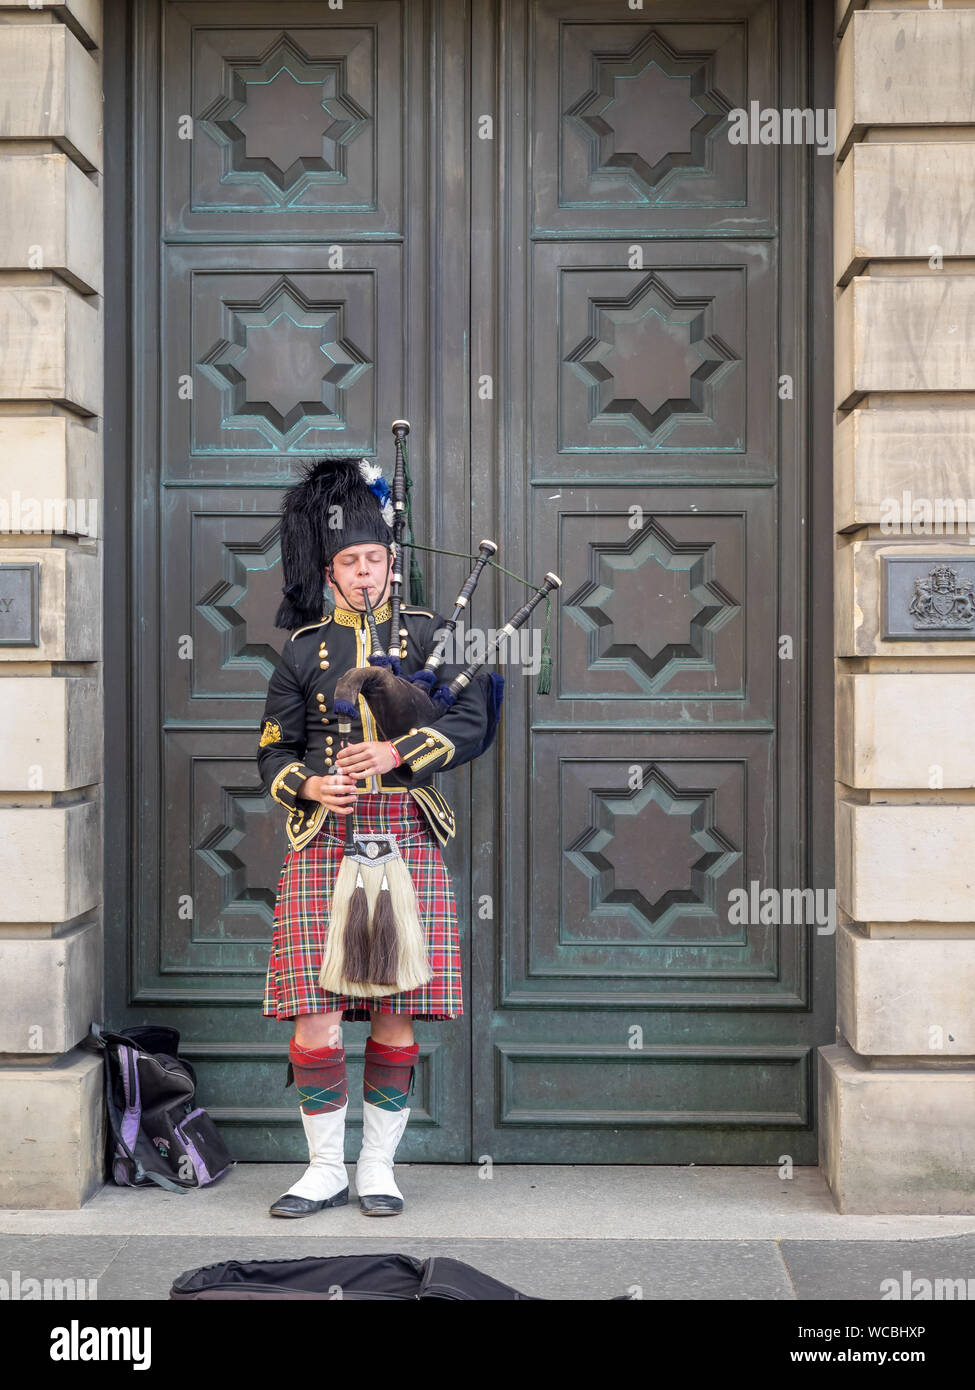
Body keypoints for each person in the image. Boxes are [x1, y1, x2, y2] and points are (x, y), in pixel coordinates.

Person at [257, 456, 503, 1218]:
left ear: (393, 566)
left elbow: (470, 722)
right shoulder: (301, 650)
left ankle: (376, 1169)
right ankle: (324, 1168)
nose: (364, 573)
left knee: (395, 1011)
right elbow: (273, 747)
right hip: (324, 839)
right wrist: (308, 783)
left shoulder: (432, 634)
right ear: (328, 573)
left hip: (404, 833)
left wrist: (398, 751)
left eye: (375, 560)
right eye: (349, 561)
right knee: (316, 1013)